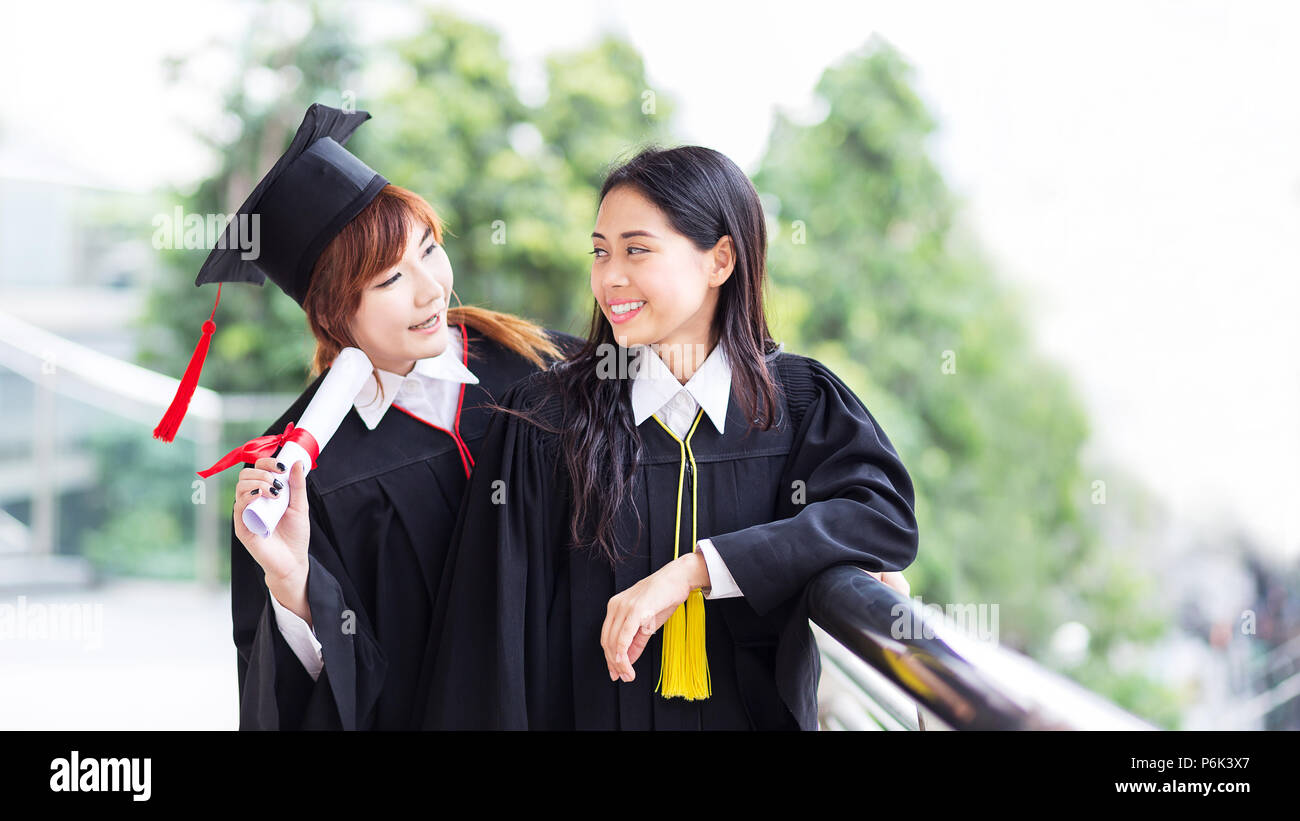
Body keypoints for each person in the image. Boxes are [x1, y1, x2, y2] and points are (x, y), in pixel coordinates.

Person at [423, 145, 918, 730]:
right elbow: (488, 649)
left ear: (720, 261)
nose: (610, 278)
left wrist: (697, 571)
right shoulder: (546, 420)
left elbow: (881, 517)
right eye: (600, 252)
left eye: (637, 250)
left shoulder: (797, 403)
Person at [154, 103, 578, 729]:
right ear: (330, 312)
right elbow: (297, 700)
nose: (431, 289)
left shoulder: (549, 367)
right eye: (388, 280)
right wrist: (295, 585)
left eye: (430, 250)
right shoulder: (297, 475)